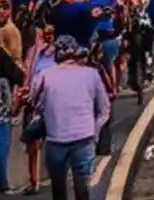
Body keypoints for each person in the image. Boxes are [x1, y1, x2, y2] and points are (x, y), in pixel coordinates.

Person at [32, 37, 109, 200]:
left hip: (55, 139)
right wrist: (95, 133)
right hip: (84, 137)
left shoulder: (45, 76)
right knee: (83, 188)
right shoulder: (92, 74)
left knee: (58, 190)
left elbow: (34, 101)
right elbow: (104, 109)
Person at [20, 23, 57, 196]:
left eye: (50, 32)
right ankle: (33, 181)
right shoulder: (32, 53)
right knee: (32, 143)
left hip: (54, 102)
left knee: (56, 141)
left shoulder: (58, 53)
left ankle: (57, 173)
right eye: (44, 32)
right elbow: (27, 74)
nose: (46, 35)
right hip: (35, 103)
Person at [0, 14, 26, 195]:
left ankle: (2, 182)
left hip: (1, 113)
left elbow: (18, 77)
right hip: (1, 111)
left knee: (0, 148)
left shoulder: (3, 57)